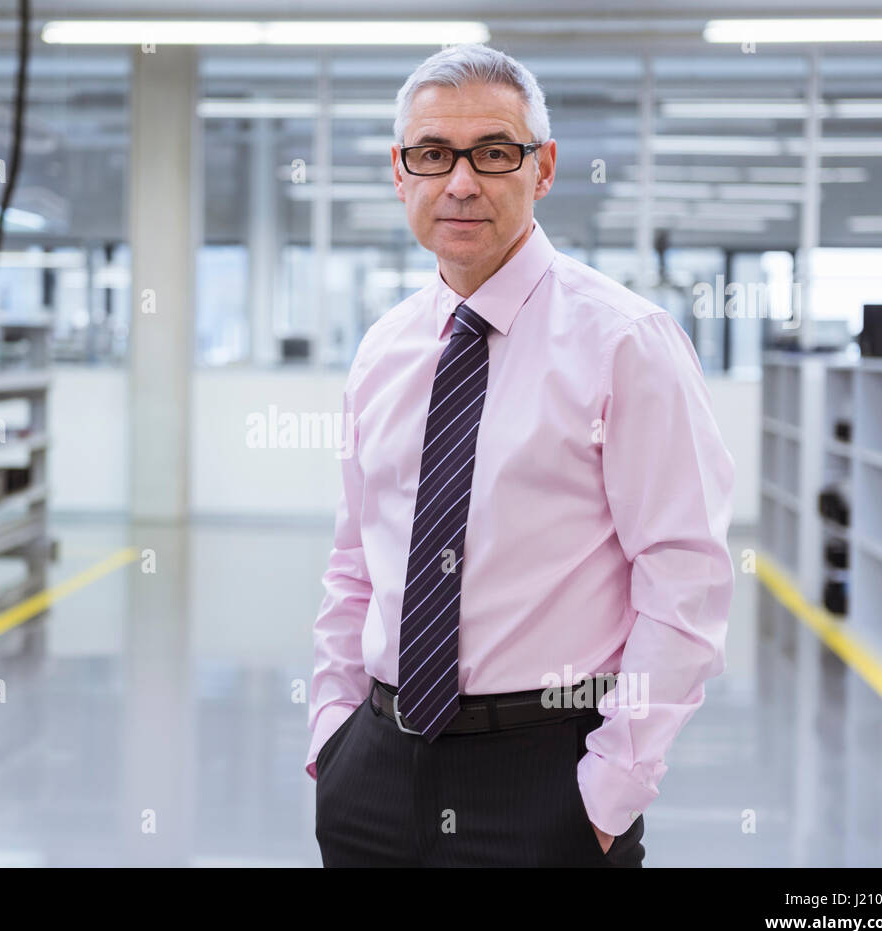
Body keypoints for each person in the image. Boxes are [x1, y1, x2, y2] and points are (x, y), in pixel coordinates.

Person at [306, 42, 736, 867]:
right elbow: (355, 562)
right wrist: (334, 736)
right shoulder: (384, 349)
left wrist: (607, 793)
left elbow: (685, 583)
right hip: (374, 771)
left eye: (493, 153)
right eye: (433, 155)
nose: (461, 182)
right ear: (400, 174)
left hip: (544, 778)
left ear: (542, 169)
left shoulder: (625, 344)